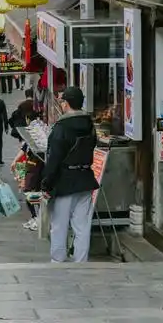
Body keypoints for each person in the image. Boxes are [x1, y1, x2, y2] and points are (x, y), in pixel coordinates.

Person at [42, 86, 98, 263]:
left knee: (59, 225)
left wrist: (46, 184)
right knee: (82, 226)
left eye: (62, 101)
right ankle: (81, 261)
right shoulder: (90, 125)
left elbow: (54, 159)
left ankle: (58, 261)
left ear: (66, 104)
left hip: (64, 181)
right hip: (86, 179)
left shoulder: (61, 128)